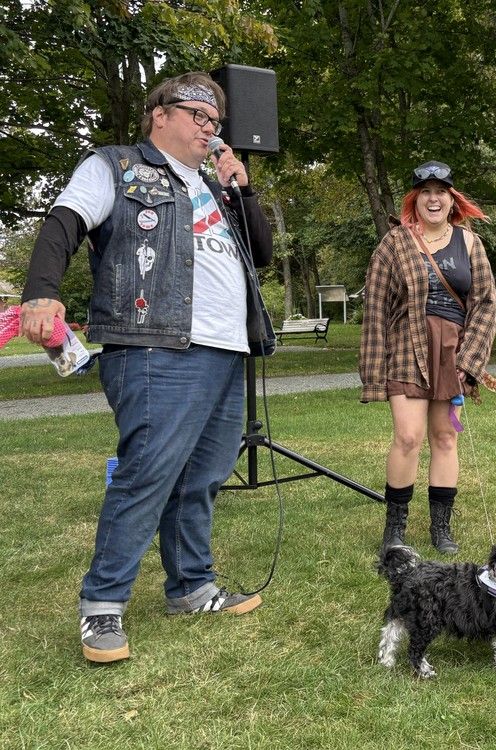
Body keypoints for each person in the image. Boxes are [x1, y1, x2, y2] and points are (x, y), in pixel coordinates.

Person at [20, 72, 275, 663]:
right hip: (155, 345)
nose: (209, 129)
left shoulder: (214, 187)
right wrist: (41, 293)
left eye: (215, 122)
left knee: (203, 476)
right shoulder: (115, 166)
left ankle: (192, 587)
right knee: (147, 472)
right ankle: (102, 604)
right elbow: (62, 224)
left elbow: (260, 253)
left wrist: (243, 189)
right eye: (197, 116)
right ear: (160, 114)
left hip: (226, 348)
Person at [360, 161, 496, 555]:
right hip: (407, 345)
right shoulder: (395, 243)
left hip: (452, 349)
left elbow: (485, 304)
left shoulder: (470, 243)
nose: (433, 199)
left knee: (445, 436)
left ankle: (441, 528)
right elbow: (375, 307)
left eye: (441, 192)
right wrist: (374, 371)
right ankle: (395, 529)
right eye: (426, 192)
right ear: (415, 199)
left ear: (452, 199)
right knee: (408, 437)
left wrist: (470, 360)